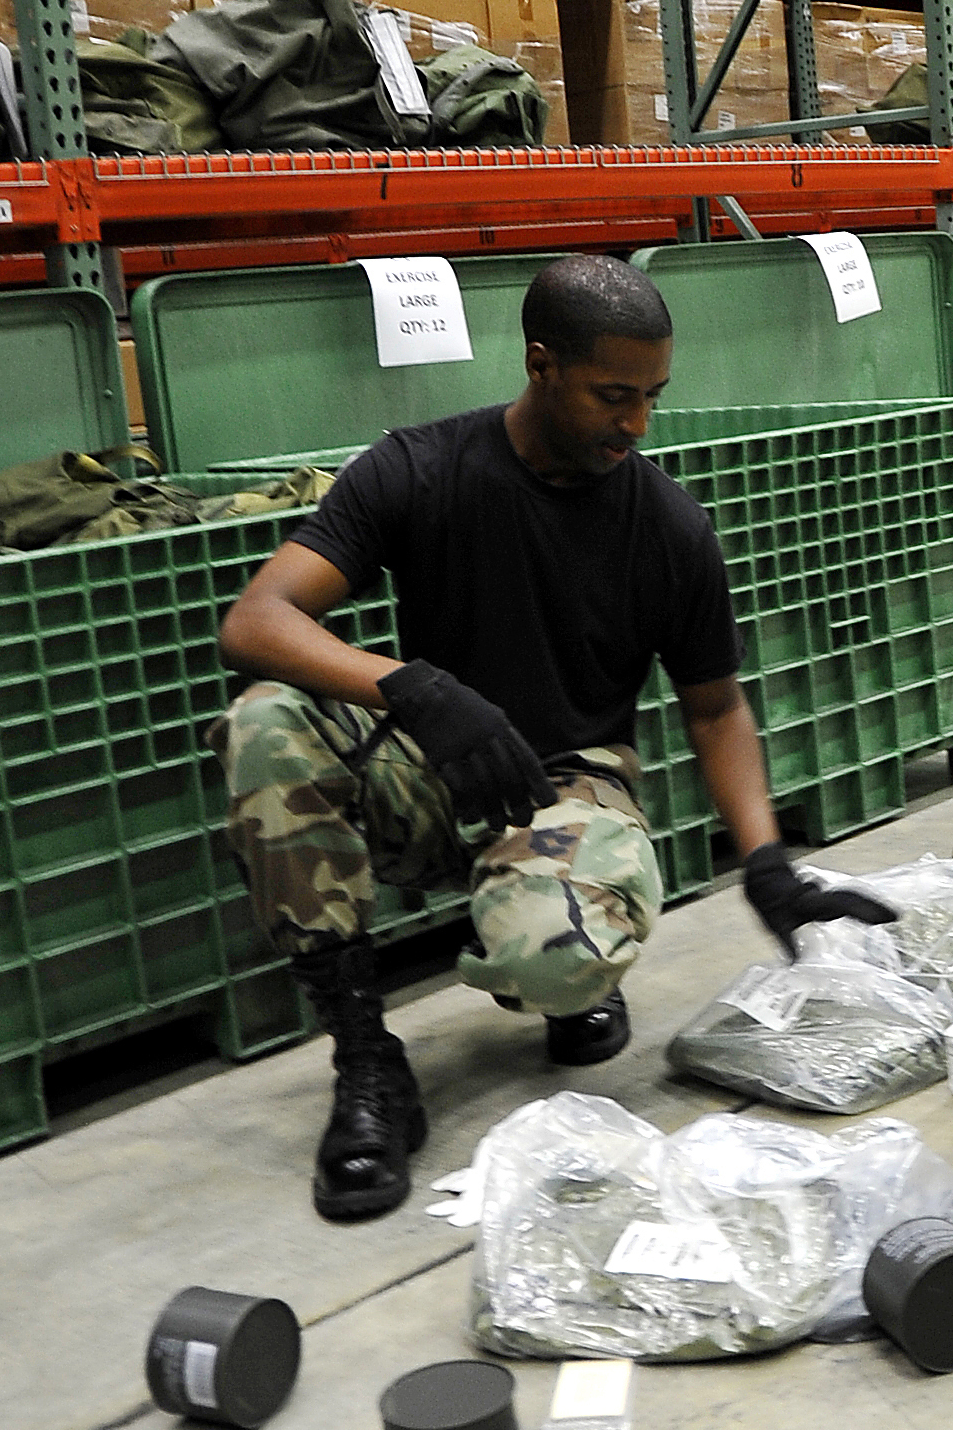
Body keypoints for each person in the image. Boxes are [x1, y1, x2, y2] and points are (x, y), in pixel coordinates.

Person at [213, 253, 891, 1225]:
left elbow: (713, 707)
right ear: (540, 364)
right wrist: (412, 686)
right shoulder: (420, 468)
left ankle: (559, 961)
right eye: (615, 395)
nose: (638, 424)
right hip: (432, 763)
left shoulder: (667, 526)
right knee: (265, 720)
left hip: (568, 785)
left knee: (552, 961)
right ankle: (366, 1057)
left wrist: (767, 861)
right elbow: (257, 622)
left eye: (654, 396)